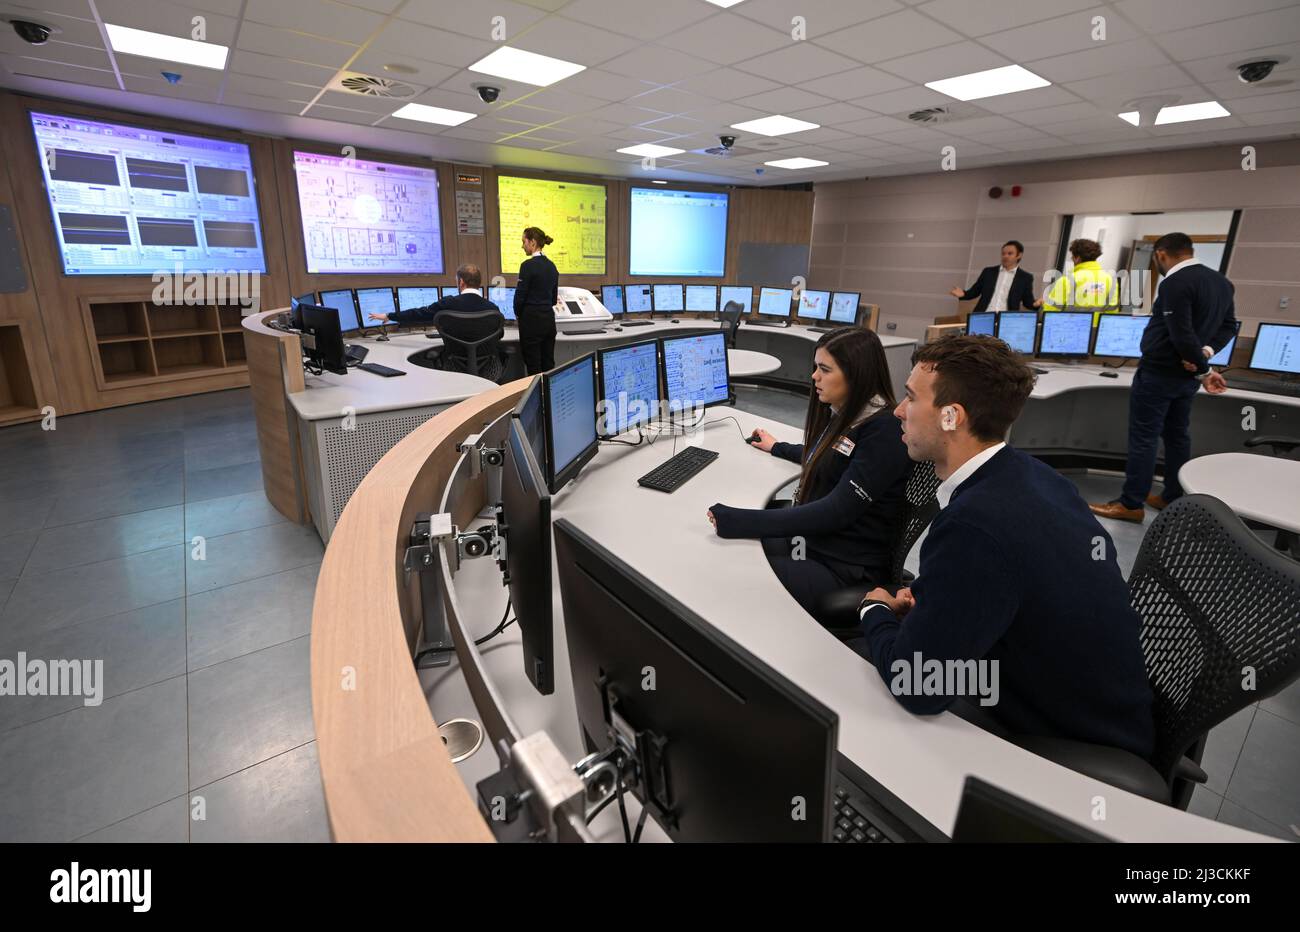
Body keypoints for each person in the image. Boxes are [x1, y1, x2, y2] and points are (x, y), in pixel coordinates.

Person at [853, 334, 1154, 761]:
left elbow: (919, 686)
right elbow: (1010, 579)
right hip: (1097, 704)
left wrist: (875, 609)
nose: (899, 412)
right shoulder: (1032, 474)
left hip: (1066, 742)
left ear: (951, 417)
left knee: (864, 681)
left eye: (910, 398)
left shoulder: (975, 525)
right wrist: (936, 601)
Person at [706, 328, 911, 623]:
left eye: (825, 369)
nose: (814, 376)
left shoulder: (883, 432)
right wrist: (778, 447)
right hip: (817, 543)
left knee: (737, 568)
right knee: (734, 548)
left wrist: (739, 520)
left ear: (857, 375)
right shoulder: (854, 413)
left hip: (842, 567)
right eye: (816, 367)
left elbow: (834, 512)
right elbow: (833, 456)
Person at [1089, 232, 1234, 523]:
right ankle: (1171, 495)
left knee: (1144, 438)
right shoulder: (1222, 282)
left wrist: (1202, 366)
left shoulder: (1176, 283)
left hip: (1159, 372)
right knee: (1177, 436)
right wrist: (1204, 355)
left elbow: (1180, 334)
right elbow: (1229, 326)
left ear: (1161, 255)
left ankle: (1131, 504)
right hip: (1186, 379)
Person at [368, 263, 504, 374]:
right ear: (479, 283)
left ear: (461, 282)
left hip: (454, 368)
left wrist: (389, 316)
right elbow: (499, 334)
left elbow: (420, 314)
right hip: (489, 368)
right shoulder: (493, 309)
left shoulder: (448, 303)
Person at [1039, 238, 1118, 325]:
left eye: (1072, 256)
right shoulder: (1110, 280)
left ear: (1077, 258)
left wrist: (1044, 304)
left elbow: (1049, 314)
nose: (1072, 259)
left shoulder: (1067, 281)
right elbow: (1112, 314)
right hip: (1095, 334)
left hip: (1069, 332)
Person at [514, 226, 559, 373]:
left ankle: (536, 396)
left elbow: (520, 298)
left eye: (524, 242)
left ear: (532, 242)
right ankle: (548, 395)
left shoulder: (527, 266)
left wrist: (518, 314)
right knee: (548, 366)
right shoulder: (552, 267)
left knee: (533, 367)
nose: (522, 246)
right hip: (548, 322)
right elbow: (553, 299)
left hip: (531, 323)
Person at [948, 240, 1037, 313]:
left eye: (1010, 254)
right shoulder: (988, 272)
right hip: (983, 315)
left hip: (1006, 319)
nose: (1005, 256)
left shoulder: (1025, 278)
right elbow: (975, 291)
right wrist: (964, 294)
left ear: (1019, 255)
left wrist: (1036, 304)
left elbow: (1027, 301)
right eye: (1003, 253)